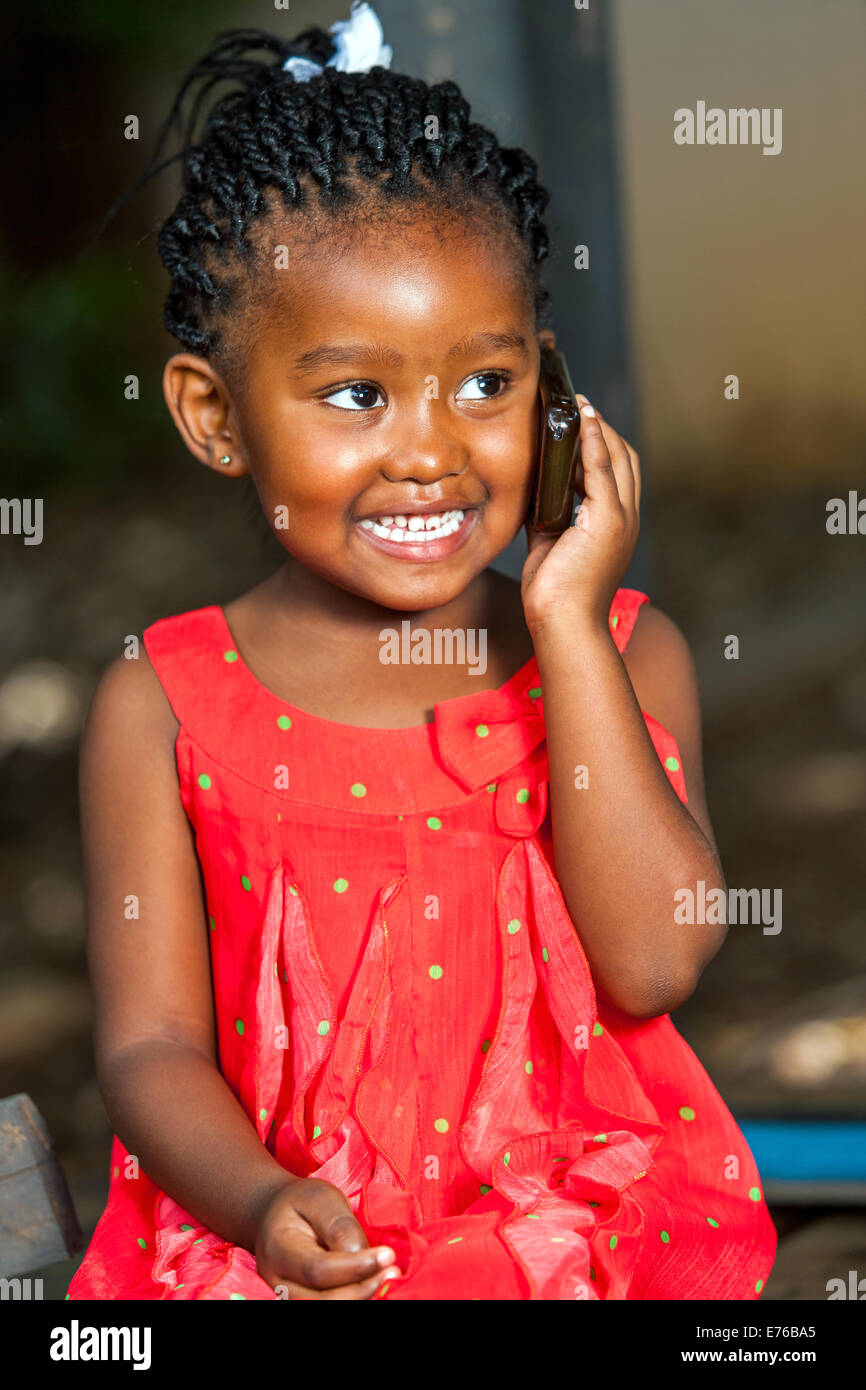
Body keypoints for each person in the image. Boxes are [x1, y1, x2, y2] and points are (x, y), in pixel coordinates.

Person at [66, 2, 776, 1300]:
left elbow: (657, 957)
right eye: (356, 394)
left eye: (486, 383)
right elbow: (151, 1046)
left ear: (549, 388)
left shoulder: (621, 651)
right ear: (215, 416)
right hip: (280, 1262)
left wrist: (564, 625)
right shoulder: (159, 705)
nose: (431, 450)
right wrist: (265, 1201)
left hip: (570, 1249)